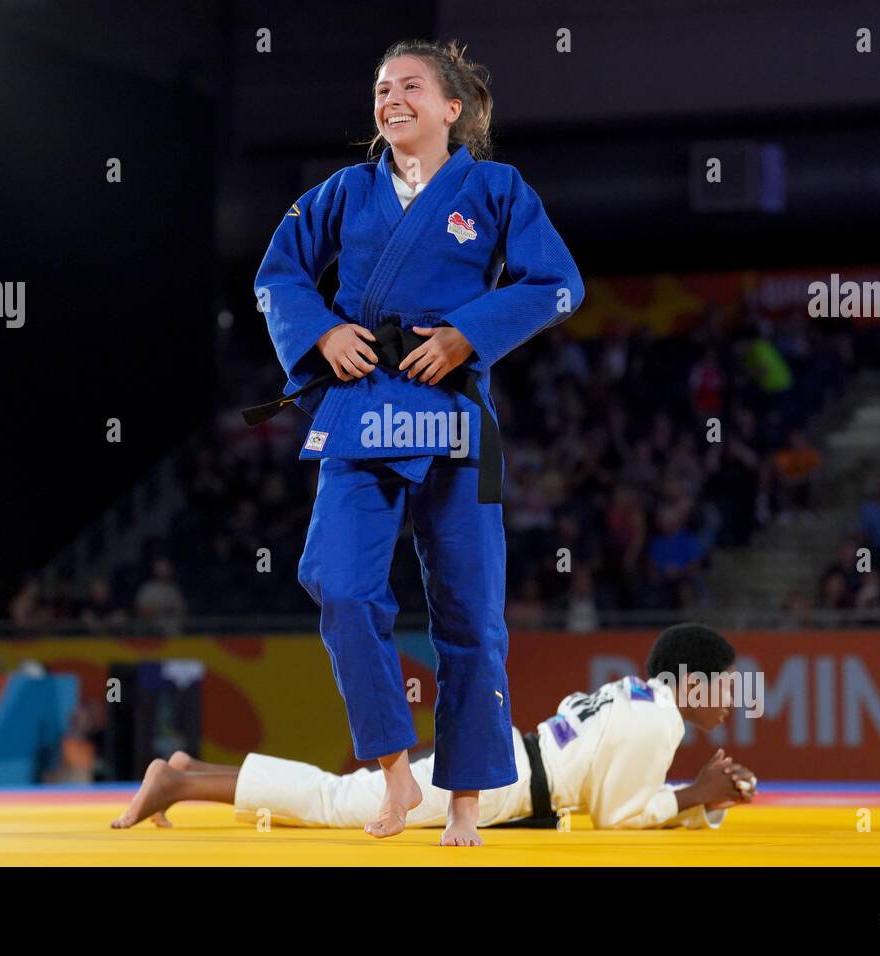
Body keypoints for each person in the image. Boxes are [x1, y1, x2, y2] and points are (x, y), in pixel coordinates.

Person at [251, 39, 584, 846]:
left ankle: (466, 794)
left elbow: (558, 284)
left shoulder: (496, 189)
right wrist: (324, 330)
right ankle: (395, 763)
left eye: (408, 87)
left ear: (451, 109)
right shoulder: (345, 191)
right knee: (337, 581)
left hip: (457, 417)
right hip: (363, 407)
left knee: (471, 610)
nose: (390, 99)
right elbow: (278, 274)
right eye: (380, 89)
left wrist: (470, 335)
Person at [111, 624, 756, 834]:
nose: (730, 699)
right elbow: (616, 816)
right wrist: (698, 794)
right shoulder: (659, 721)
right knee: (338, 803)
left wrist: (703, 796)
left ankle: (190, 773)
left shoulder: (635, 694)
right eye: (724, 684)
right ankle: (175, 782)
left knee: (345, 792)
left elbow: (579, 734)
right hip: (499, 780)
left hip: (505, 760)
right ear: (691, 681)